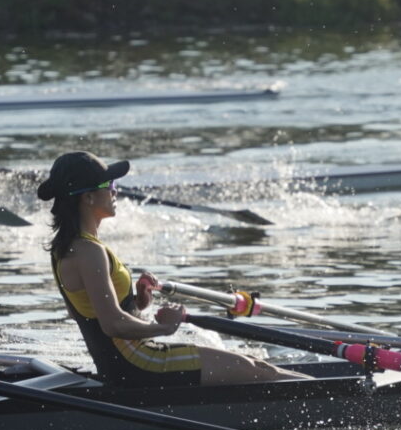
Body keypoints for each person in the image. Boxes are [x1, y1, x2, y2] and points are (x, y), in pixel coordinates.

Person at [39, 151, 302, 387]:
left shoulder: (65, 248)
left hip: (122, 363)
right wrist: (165, 328)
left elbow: (84, 314)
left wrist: (137, 302)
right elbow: (112, 324)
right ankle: (335, 396)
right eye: (110, 185)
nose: (116, 191)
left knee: (254, 366)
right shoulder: (89, 251)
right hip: (138, 363)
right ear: (87, 197)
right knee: (259, 370)